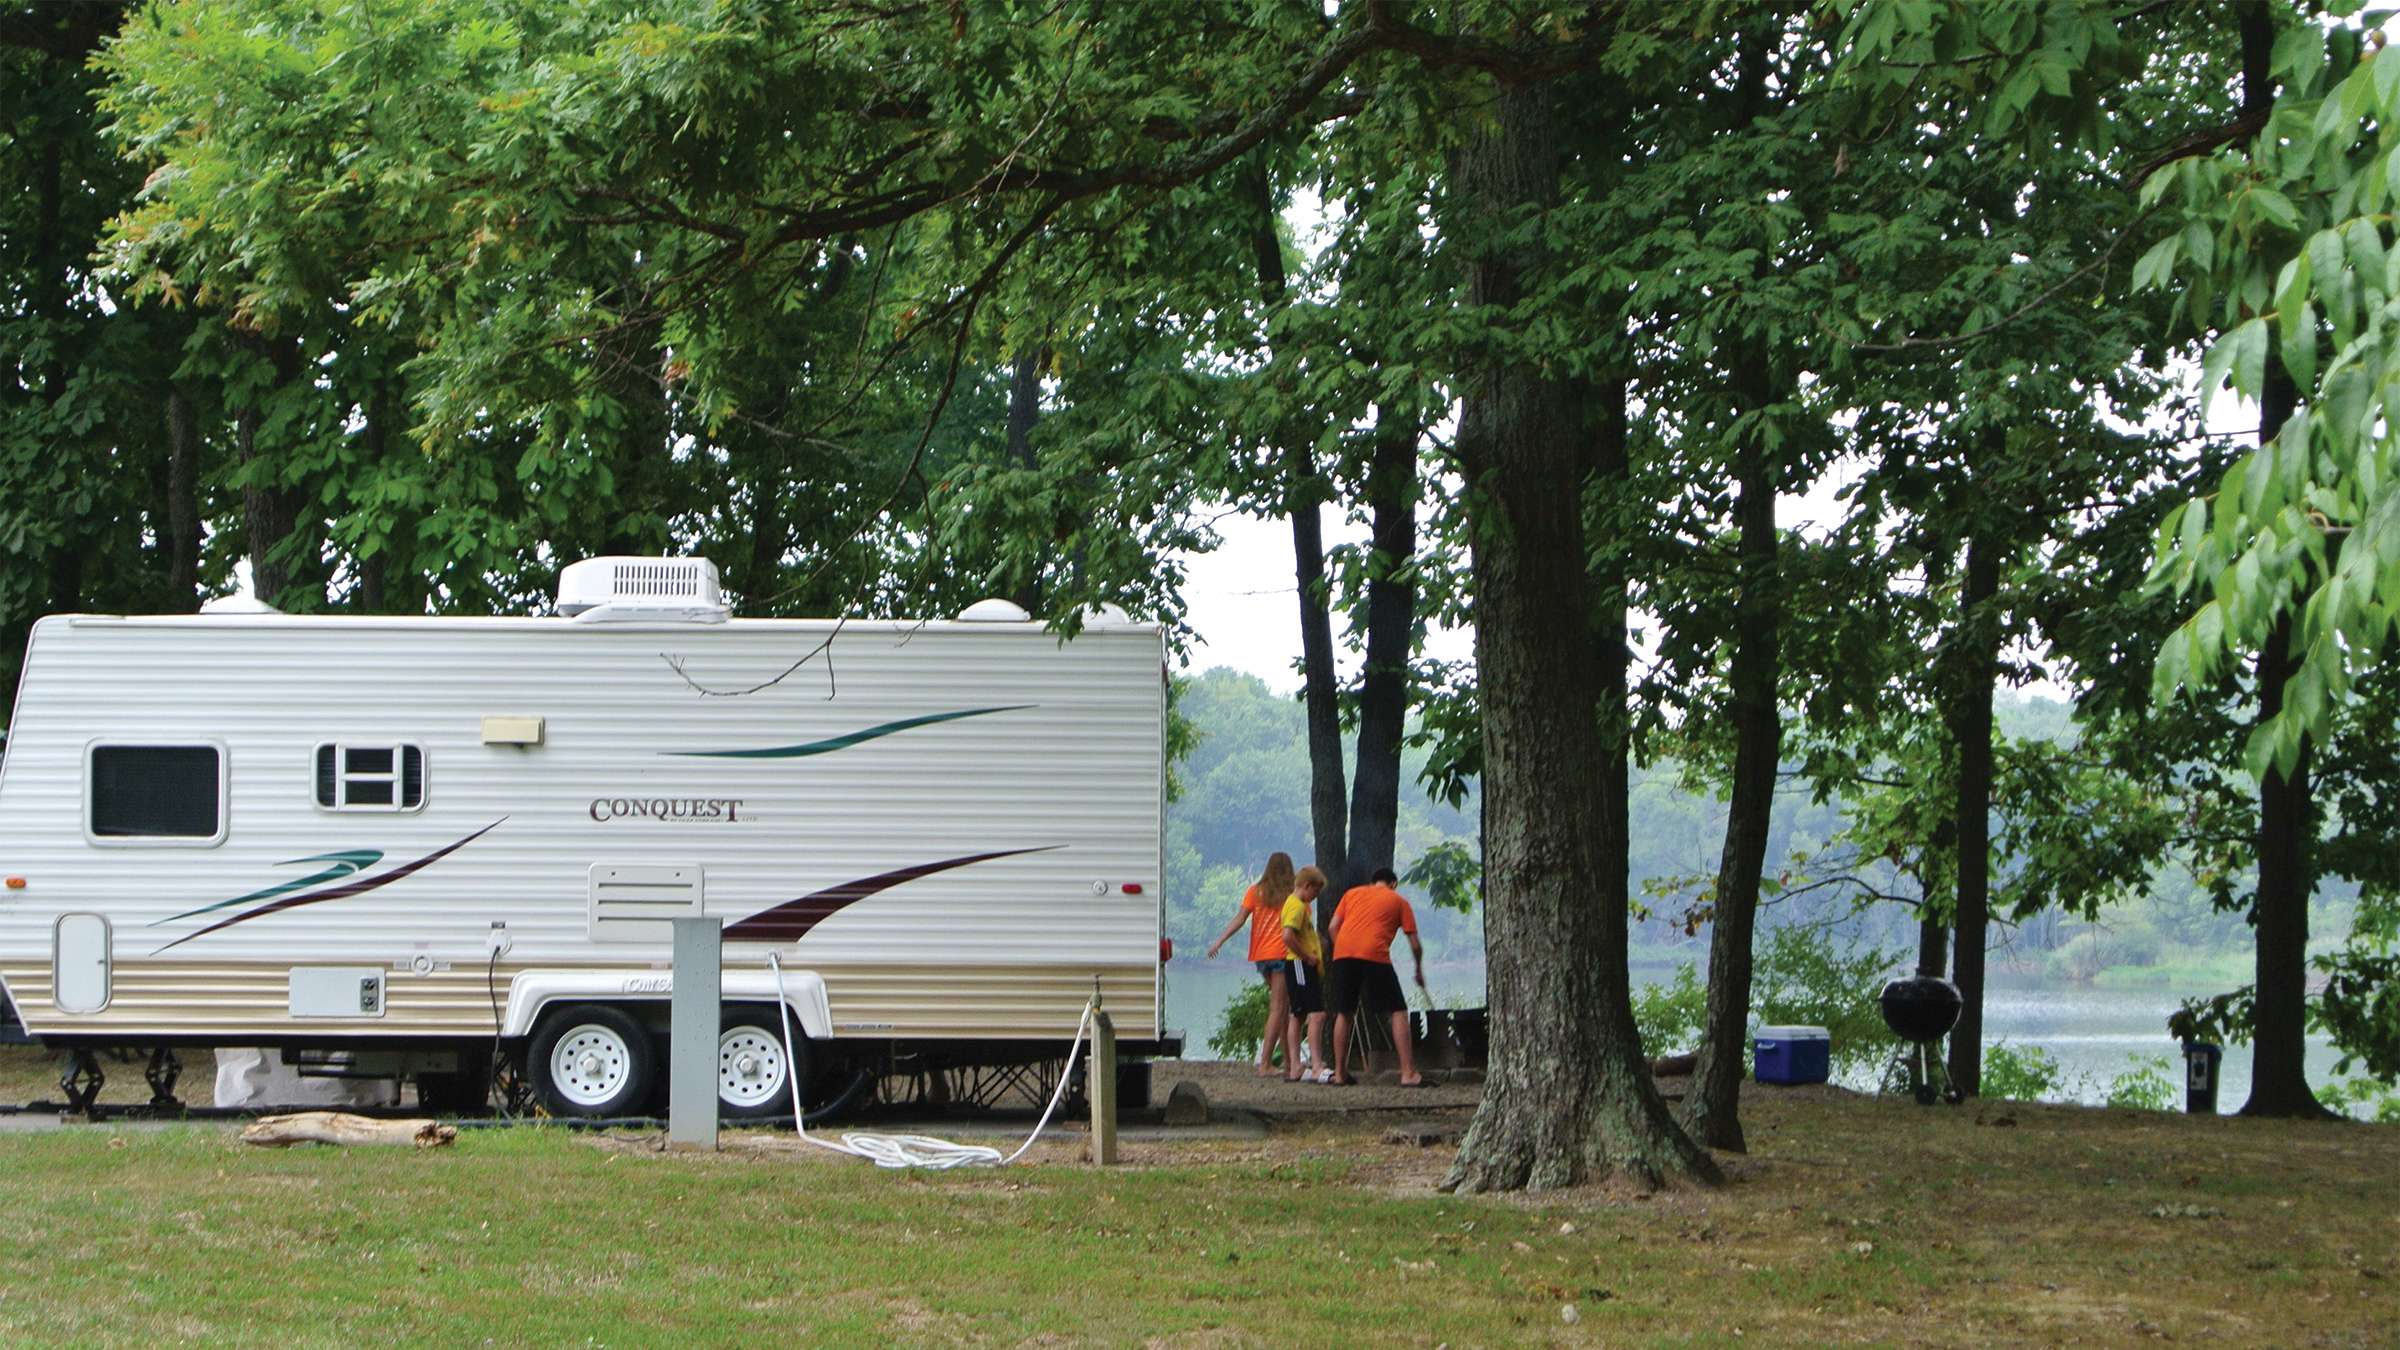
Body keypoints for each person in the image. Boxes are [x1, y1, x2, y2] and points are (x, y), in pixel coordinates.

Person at [1327, 865, 1428, 1087]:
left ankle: (1340, 1073)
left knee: (1344, 1013)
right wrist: (1418, 969)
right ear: (1393, 884)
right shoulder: (1398, 901)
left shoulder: (1351, 894)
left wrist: (1345, 948)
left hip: (1343, 955)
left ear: (1374, 882)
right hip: (1374, 955)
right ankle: (1408, 1073)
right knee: (1398, 1011)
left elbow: (1333, 926)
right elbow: (1415, 944)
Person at [1205, 851, 1296, 1076]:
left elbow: (1240, 918)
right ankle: (1265, 1064)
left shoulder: (1256, 891)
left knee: (1282, 1007)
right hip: (1282, 955)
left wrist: (1220, 940)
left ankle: (1288, 1062)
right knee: (1278, 1008)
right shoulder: (1292, 894)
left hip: (1261, 956)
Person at [1280, 866, 1332, 1083]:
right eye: (1316, 892)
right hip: (1300, 965)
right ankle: (1317, 1064)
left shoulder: (1297, 905)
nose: (1315, 897)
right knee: (1317, 1014)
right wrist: (1307, 957)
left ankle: (1295, 1067)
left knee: (1298, 1014)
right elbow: (1287, 936)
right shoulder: (1297, 906)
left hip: (1299, 965)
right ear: (1307, 886)